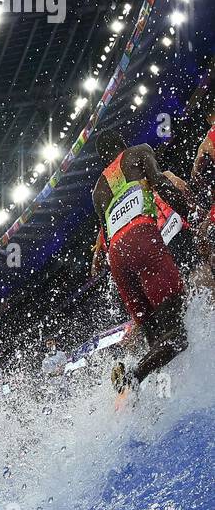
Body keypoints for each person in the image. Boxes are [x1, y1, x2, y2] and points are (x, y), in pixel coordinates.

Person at [90, 130, 190, 395]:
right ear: (123, 143)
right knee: (177, 336)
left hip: (118, 262)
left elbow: (107, 237)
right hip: (142, 240)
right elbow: (159, 182)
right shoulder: (138, 151)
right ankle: (133, 375)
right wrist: (190, 210)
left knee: (156, 341)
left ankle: (151, 402)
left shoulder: (98, 189)